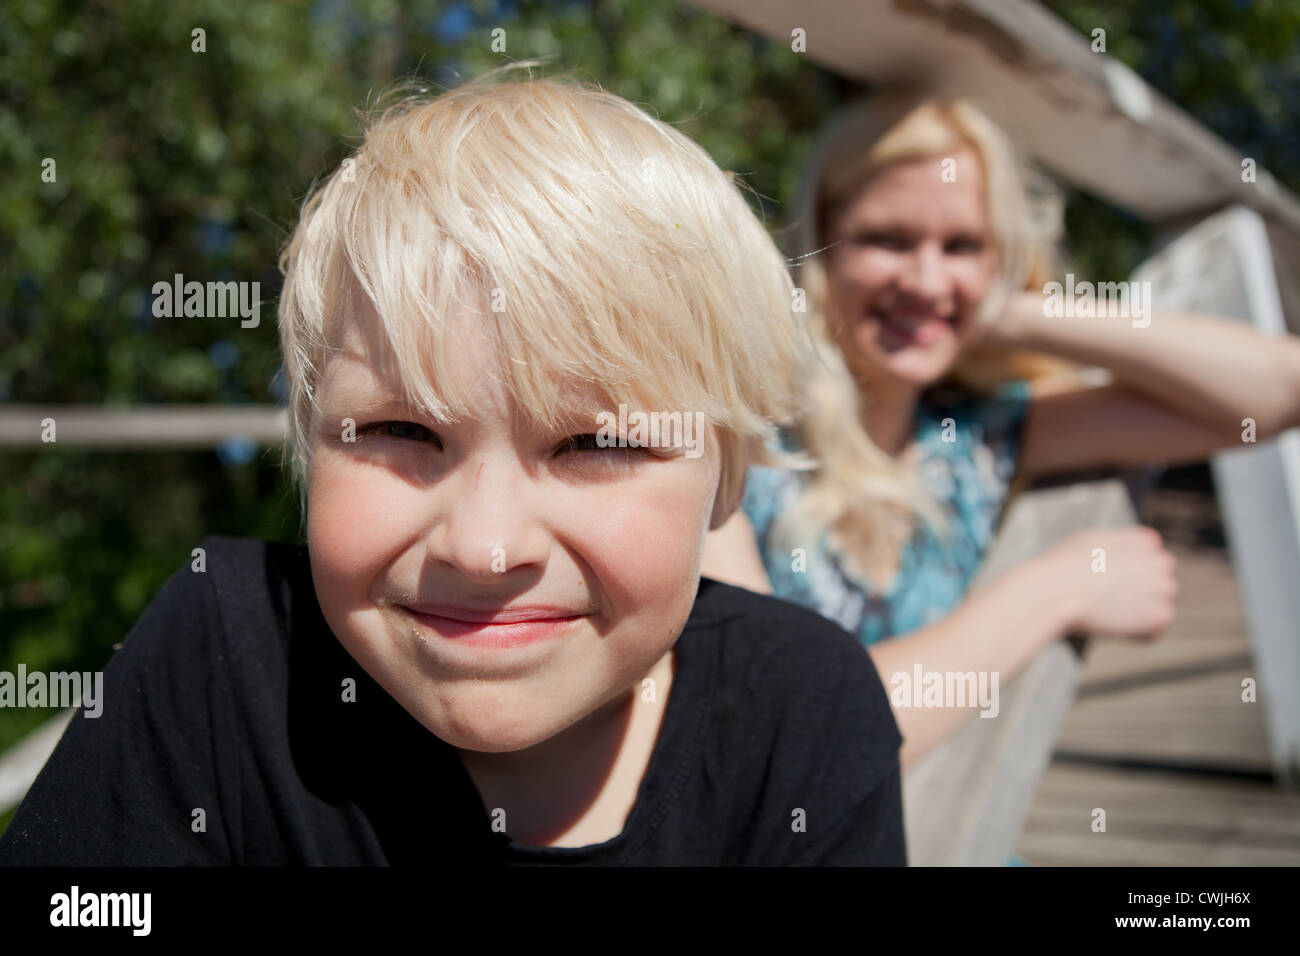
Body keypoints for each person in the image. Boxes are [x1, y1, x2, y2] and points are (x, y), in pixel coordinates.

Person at [0, 70, 906, 866]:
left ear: (731, 476)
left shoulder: (804, 716)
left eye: (596, 443)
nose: (483, 546)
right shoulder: (224, 657)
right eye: (400, 430)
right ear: (310, 442)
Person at [703, 93, 1300, 769]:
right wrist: (1054, 591)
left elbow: (1278, 392)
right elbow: (793, 731)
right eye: (888, 239)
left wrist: (1013, 314)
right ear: (822, 246)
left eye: (963, 245)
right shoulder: (736, 443)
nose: (926, 280)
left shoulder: (979, 440)